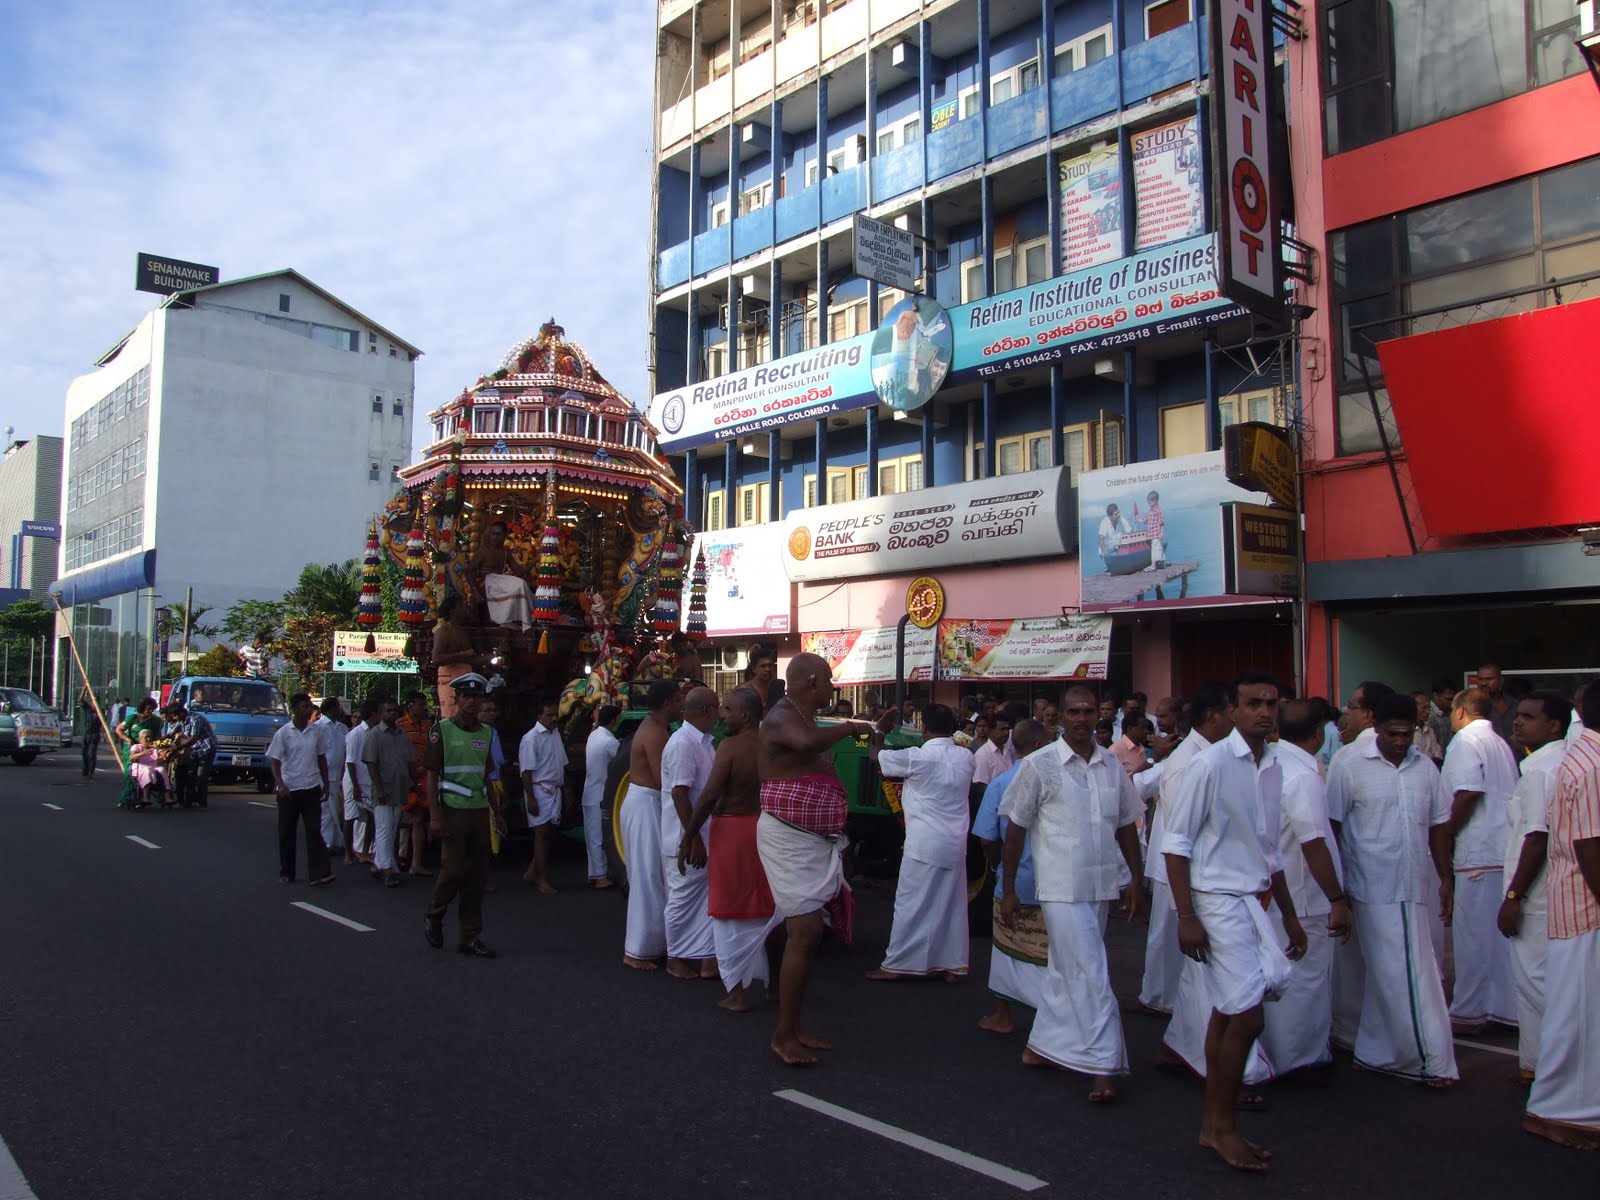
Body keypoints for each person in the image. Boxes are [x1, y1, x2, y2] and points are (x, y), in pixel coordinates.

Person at [1161, 671, 1306, 1173]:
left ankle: (1213, 1126)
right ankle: (1222, 1127)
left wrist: (1289, 914)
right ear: (1232, 709)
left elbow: (1269, 852)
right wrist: (1187, 917)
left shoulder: (1273, 765)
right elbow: (1175, 845)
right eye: (1253, 703)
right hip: (1215, 900)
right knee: (1247, 1014)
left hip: (1252, 898)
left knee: (1229, 1010)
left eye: (1272, 703)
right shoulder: (1211, 764)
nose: (1265, 711)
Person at [1001, 694, 1143, 1103]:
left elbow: (1127, 824)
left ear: (1100, 714)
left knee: (1068, 970)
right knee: (1092, 972)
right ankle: (1102, 1064)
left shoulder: (1110, 765)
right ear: (1059, 719)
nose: (1081, 719)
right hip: (1061, 887)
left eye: (1088, 712)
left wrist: (1134, 878)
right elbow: (1015, 830)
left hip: (1101, 886)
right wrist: (1009, 889)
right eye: (1073, 712)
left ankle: (1041, 1046)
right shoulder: (1039, 765)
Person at [757, 653, 886, 1065]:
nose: (833, 688)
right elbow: (809, 745)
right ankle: (783, 1034)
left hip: (811, 840)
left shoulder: (800, 716)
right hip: (788, 839)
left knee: (804, 933)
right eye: (829, 681)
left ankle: (793, 1025)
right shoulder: (781, 717)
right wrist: (852, 727)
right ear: (811, 681)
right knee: (806, 932)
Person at [1326, 692, 1457, 1086]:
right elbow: (1331, 828)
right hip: (1368, 884)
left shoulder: (1426, 769)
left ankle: (1378, 1050)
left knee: (1402, 971)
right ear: (1376, 728)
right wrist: (1337, 892)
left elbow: (1438, 827)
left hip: (1415, 886)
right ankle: (1428, 1060)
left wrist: (1446, 877)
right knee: (1406, 973)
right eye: (1393, 734)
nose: (1401, 742)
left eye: (1407, 734)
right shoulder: (1349, 765)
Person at [1522, 684, 1600, 1150]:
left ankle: (1573, 1107)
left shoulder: (1584, 756)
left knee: (1583, 1015)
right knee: (1576, 1015)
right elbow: (1589, 846)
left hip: (1582, 905)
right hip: (1585, 909)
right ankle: (1555, 1110)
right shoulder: (1591, 764)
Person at [1258, 698, 1351, 1079]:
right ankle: (1300, 1058)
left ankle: (1278, 1053)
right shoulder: (1301, 775)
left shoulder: (1268, 763)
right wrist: (1337, 898)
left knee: (1281, 977)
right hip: (1302, 893)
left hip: (1275, 892)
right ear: (1318, 734)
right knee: (1304, 979)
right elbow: (1313, 841)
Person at [679, 688, 784, 1012]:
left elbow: (709, 795)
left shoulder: (730, 746)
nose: (721, 714)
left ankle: (737, 994)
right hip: (766, 829)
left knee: (727, 911)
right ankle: (776, 986)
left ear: (746, 716)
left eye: (728, 709)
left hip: (732, 832)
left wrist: (689, 834)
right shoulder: (772, 747)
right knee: (769, 909)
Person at [1132, 684, 1231, 1017]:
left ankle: (1169, 998)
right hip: (1177, 862)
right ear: (1214, 715)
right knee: (1167, 934)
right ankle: (1159, 997)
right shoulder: (1191, 760)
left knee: (1175, 937)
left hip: (1188, 863)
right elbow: (1180, 826)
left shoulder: (1202, 755)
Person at [869, 703, 977, 982]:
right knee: (951, 905)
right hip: (955, 842)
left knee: (910, 904)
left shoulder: (918, 757)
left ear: (925, 728)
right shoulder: (966, 757)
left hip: (925, 842)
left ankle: (896, 964)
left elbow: (875, 758)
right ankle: (953, 965)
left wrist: (880, 731)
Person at [1496, 691, 1573, 1081]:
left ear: (1554, 726)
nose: (1518, 721)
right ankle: (1538, 1065)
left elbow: (1537, 838)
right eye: (1519, 714)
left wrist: (1514, 896)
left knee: (1536, 984)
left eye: (1528, 716)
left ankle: (1559, 1070)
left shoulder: (1543, 769)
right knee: (1536, 985)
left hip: (1536, 897)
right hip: (1547, 894)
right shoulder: (1550, 762)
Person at [1442, 687, 1521, 1034]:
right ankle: (1501, 1008)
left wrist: (1447, 831)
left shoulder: (1464, 742)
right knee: (1496, 939)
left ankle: (1470, 1011)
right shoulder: (1499, 743)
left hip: (1478, 848)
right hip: (1500, 848)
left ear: (1460, 711)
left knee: (1473, 936)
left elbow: (1469, 790)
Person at [973, 719, 1049, 1035]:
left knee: (1006, 952)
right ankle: (1049, 1018)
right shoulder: (1055, 780)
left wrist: (996, 865)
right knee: (1050, 956)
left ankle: (1004, 1015)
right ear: (1037, 747)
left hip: (1014, 881)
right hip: (1051, 881)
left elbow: (987, 838)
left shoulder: (1002, 783)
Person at [423, 673, 501, 957]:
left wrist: (497, 812)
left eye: (476, 696)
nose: (471, 701)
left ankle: (470, 936)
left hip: (479, 811)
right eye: (467, 696)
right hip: (452, 810)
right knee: (454, 870)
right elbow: (431, 775)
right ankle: (434, 913)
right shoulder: (441, 730)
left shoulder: (486, 733)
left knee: (477, 877)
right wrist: (434, 816)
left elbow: (485, 775)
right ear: (456, 699)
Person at [662, 686, 720, 980]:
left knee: (704, 899)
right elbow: (679, 795)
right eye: (717, 707)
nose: (720, 714)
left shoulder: (704, 743)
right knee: (683, 898)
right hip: (685, 838)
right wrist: (693, 838)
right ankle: (675, 958)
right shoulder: (683, 743)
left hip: (701, 834)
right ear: (706, 711)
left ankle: (707, 959)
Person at [622, 680, 680, 970]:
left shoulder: (655, 728)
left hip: (643, 802)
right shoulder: (656, 732)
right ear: (669, 702)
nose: (683, 704)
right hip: (645, 803)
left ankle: (649, 945)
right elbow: (664, 780)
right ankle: (637, 951)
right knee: (647, 877)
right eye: (680, 699)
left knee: (649, 876)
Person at [267, 693, 334, 886]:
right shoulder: (284, 733)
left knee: (314, 830)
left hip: (311, 787)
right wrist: (280, 784)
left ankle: (319, 873)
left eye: (310, 706)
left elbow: (321, 757)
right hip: (289, 789)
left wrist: (326, 783)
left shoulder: (316, 731)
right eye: (305, 706)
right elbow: (275, 762)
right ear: (295, 709)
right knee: (287, 832)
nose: (309, 710)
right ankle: (287, 871)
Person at [364, 695, 416, 887]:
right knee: (384, 829)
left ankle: (379, 864)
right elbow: (371, 763)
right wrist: (378, 788)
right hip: (383, 789)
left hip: (399, 788)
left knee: (392, 828)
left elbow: (410, 762)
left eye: (394, 710)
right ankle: (387, 870)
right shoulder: (375, 734)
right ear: (380, 713)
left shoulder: (402, 735)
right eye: (388, 710)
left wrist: (415, 783)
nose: (392, 713)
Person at [518, 699, 567, 894]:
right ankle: (542, 880)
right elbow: (526, 772)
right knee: (541, 834)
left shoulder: (555, 734)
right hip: (539, 789)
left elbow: (562, 763)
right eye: (549, 715)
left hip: (555, 789)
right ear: (539, 716)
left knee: (549, 834)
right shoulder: (531, 738)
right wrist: (530, 798)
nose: (554, 718)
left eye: (556, 714)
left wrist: (567, 789)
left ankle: (532, 872)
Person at [432, 595, 492, 720]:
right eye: (462, 606)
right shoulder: (443, 632)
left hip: (466, 679)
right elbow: (437, 659)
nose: (466, 609)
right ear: (452, 611)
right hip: (449, 681)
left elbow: (470, 661)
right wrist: (462, 655)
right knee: (452, 718)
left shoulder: (463, 631)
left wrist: (492, 657)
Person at [582, 705, 621, 888]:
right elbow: (621, 759)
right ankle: (600, 877)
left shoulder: (594, 735)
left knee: (592, 835)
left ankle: (594, 873)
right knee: (598, 836)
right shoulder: (609, 741)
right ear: (614, 720)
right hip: (600, 793)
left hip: (591, 791)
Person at [471, 520, 537, 630]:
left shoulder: (506, 552)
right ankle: (504, 621)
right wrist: (475, 591)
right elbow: (469, 571)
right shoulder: (484, 551)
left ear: (505, 535)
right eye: (492, 534)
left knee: (521, 584)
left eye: (497, 534)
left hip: (499, 581)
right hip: (486, 583)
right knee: (519, 584)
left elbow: (519, 573)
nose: (494, 537)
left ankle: (525, 618)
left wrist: (535, 560)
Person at [395, 691, 434, 876]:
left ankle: (415, 862)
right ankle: (392, 858)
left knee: (419, 818)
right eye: (420, 704)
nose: (423, 707)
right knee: (397, 819)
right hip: (404, 778)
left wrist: (423, 769)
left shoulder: (428, 726)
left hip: (422, 777)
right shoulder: (399, 726)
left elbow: (430, 751)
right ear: (410, 705)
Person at [163, 700, 216, 810]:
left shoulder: (195, 719)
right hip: (194, 750)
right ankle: (189, 801)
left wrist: (176, 748)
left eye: (174, 716)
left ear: (180, 713)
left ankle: (202, 803)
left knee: (201, 777)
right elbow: (172, 733)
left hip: (205, 748)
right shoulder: (181, 721)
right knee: (190, 775)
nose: (173, 719)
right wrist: (161, 740)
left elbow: (193, 738)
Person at [343, 701, 377, 867]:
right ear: (372, 714)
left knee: (371, 817)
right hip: (353, 781)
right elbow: (350, 762)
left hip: (368, 781)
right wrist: (355, 786)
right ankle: (348, 853)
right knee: (350, 817)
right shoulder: (356, 734)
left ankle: (364, 852)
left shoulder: (375, 733)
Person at [1476, 662, 1518, 751]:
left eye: (1489, 679)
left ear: (1501, 680)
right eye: (1480, 679)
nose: (1484, 683)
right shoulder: (1473, 707)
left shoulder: (1514, 704)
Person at [129, 730, 174, 805]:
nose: (148, 739)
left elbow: (160, 759)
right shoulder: (136, 747)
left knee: (162, 769)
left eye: (150, 737)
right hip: (139, 767)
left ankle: (167, 797)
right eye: (146, 737)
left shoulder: (154, 748)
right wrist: (143, 753)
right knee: (147, 769)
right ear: (140, 739)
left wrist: (165, 754)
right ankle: (145, 797)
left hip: (153, 767)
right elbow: (131, 757)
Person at [971, 714, 1010, 788]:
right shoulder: (983, 755)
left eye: (1007, 729)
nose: (1006, 733)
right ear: (990, 731)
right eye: (1002, 729)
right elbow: (980, 786)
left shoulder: (1007, 751)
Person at [744, 643, 784, 712]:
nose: (767, 669)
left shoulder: (777, 686)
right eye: (763, 666)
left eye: (770, 665)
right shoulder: (745, 689)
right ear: (753, 669)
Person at [1412, 692, 1445, 764]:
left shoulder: (1429, 730)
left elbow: (1438, 754)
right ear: (1412, 709)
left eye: (1428, 708)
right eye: (1423, 708)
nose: (1427, 712)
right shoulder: (1408, 732)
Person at [1428, 679, 1456, 755]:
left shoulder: (1451, 712)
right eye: (1448, 699)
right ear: (1435, 696)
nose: (1451, 703)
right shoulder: (1428, 715)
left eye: (1453, 699)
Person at [80, 687, 102, 778]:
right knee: (84, 752)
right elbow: (80, 699)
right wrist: (84, 688)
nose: (94, 704)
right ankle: (85, 769)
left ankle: (91, 771)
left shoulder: (100, 712)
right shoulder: (88, 709)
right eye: (93, 702)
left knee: (91, 753)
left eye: (96, 702)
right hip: (86, 734)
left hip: (95, 734)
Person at [1143, 489, 1167, 570]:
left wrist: (1161, 533)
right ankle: (1162, 563)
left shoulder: (1158, 510)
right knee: (1158, 548)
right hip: (1152, 534)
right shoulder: (1150, 511)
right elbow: (1147, 520)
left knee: (1155, 549)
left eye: (1150, 502)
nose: (1149, 504)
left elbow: (1161, 522)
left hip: (1156, 533)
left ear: (1155, 501)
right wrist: (1138, 519)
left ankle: (1153, 565)